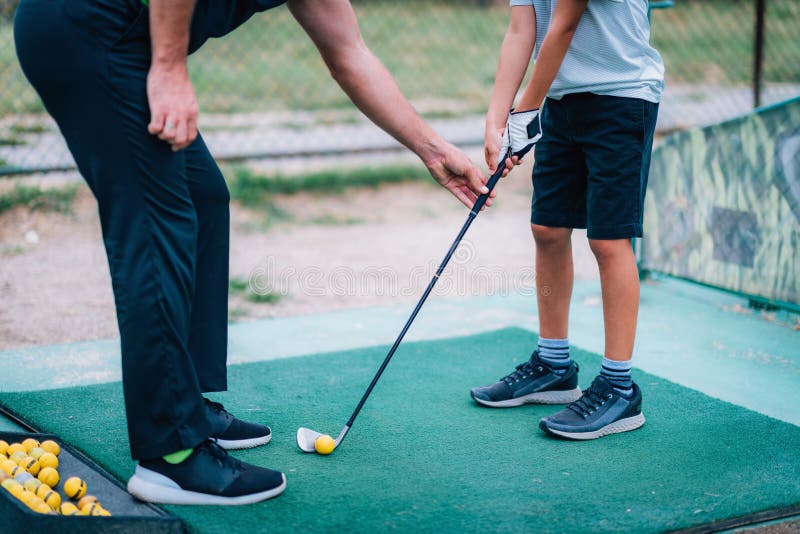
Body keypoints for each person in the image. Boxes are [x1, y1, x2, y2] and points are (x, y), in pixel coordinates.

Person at [14, 0, 501, 505]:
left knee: (202, 199)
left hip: (124, 41)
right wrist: (169, 69)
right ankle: (171, 456)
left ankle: (188, 407)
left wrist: (434, 149)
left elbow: (349, 51)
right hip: (89, 31)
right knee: (156, 225)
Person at [470, 0, 664, 440]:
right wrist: (497, 117)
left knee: (609, 241)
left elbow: (564, 24)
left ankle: (619, 387)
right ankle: (554, 365)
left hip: (621, 97)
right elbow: (523, 29)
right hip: (561, 100)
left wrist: (524, 110)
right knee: (548, 228)